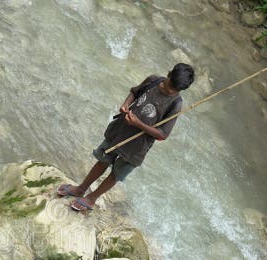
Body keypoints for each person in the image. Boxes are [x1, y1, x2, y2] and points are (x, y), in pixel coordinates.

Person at [58, 63, 194, 211]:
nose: (170, 91)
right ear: (169, 74)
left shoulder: (175, 104)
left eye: (175, 90)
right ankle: (81, 188)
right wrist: (126, 104)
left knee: (116, 173)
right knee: (102, 160)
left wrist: (138, 124)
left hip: (136, 147)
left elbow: (163, 134)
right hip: (120, 131)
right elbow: (134, 92)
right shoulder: (153, 80)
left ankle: (91, 198)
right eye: (170, 85)